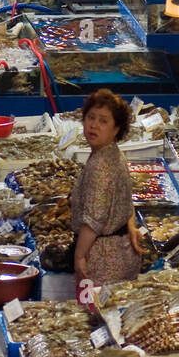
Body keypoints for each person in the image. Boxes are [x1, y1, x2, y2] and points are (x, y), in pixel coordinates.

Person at [71, 89, 144, 287]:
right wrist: (130, 226)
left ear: (116, 129)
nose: (94, 125)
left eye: (103, 121)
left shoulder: (100, 166)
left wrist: (79, 256)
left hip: (102, 260)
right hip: (122, 253)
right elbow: (125, 199)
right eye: (90, 117)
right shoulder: (112, 153)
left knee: (99, 315)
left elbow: (95, 219)